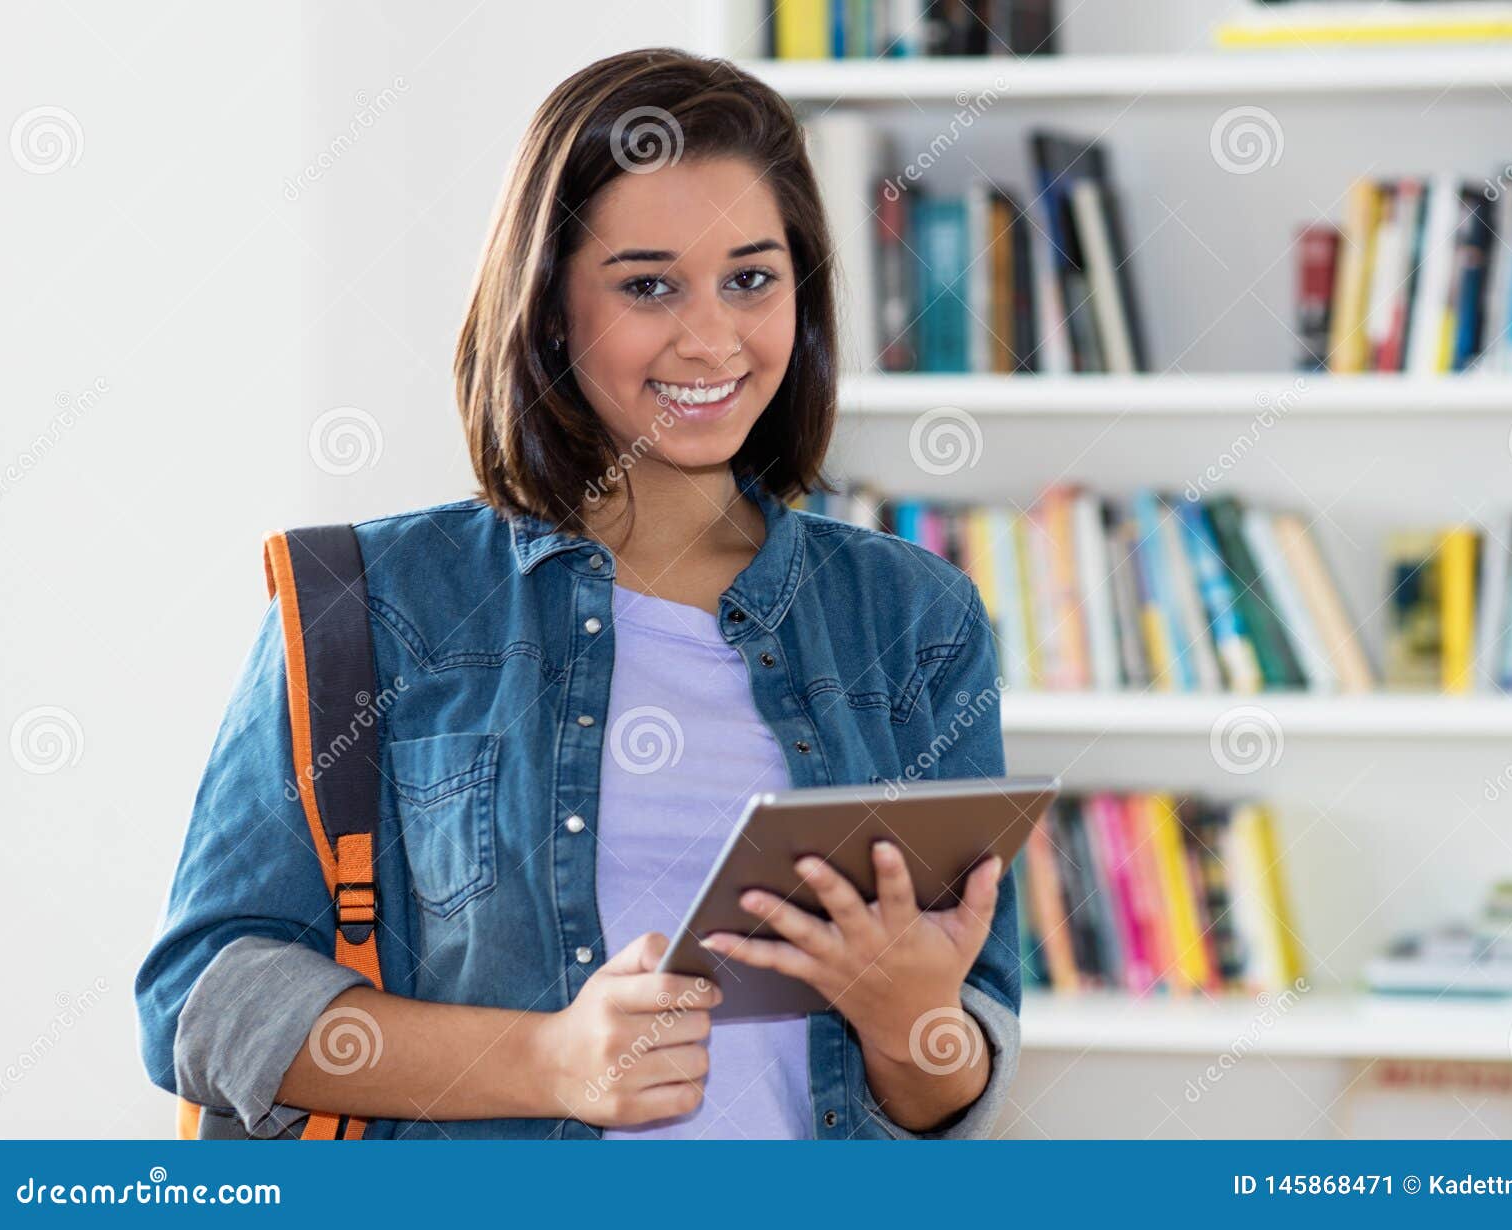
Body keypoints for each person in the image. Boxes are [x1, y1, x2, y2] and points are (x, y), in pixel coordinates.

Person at [135, 46, 1019, 1141]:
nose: (711, 338)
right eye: (648, 285)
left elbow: (965, 1065)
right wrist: (547, 1062)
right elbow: (200, 1003)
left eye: (751, 278)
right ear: (551, 308)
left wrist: (907, 1022)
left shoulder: (916, 620)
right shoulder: (374, 604)